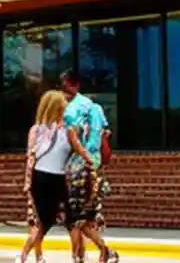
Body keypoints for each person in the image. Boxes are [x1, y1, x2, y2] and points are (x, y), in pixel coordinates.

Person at [59, 71, 118, 263]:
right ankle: (84, 255)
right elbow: (105, 135)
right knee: (85, 214)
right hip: (94, 167)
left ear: (72, 86)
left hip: (78, 166)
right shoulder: (96, 108)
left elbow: (72, 139)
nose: (63, 92)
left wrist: (82, 155)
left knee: (74, 216)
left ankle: (93, 252)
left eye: (64, 87)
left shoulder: (70, 110)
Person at [15, 90, 73, 263]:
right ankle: (25, 254)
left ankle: (75, 255)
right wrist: (27, 182)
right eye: (63, 108)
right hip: (43, 178)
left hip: (57, 177)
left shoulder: (64, 130)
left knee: (68, 219)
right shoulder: (40, 130)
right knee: (44, 221)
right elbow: (31, 157)